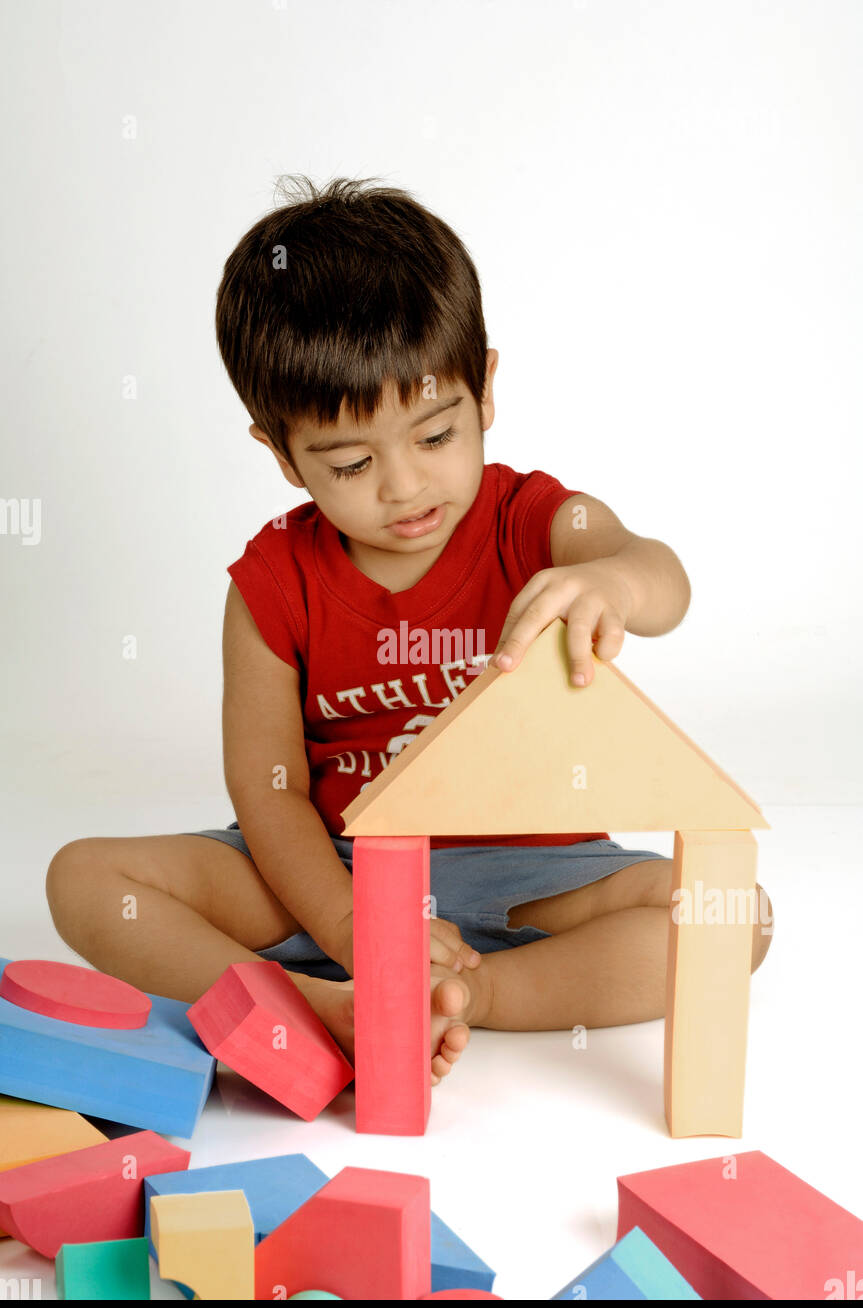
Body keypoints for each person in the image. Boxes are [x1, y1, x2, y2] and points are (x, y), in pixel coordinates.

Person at [45, 176, 773, 1088]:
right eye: (350, 462)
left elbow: (662, 576)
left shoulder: (534, 520)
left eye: (435, 437)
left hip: (533, 876)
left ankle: (474, 997)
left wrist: (609, 581)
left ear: (485, 392)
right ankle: (319, 1007)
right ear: (279, 453)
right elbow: (268, 793)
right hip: (325, 870)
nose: (402, 487)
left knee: (732, 913)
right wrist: (353, 925)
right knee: (83, 880)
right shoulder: (271, 583)